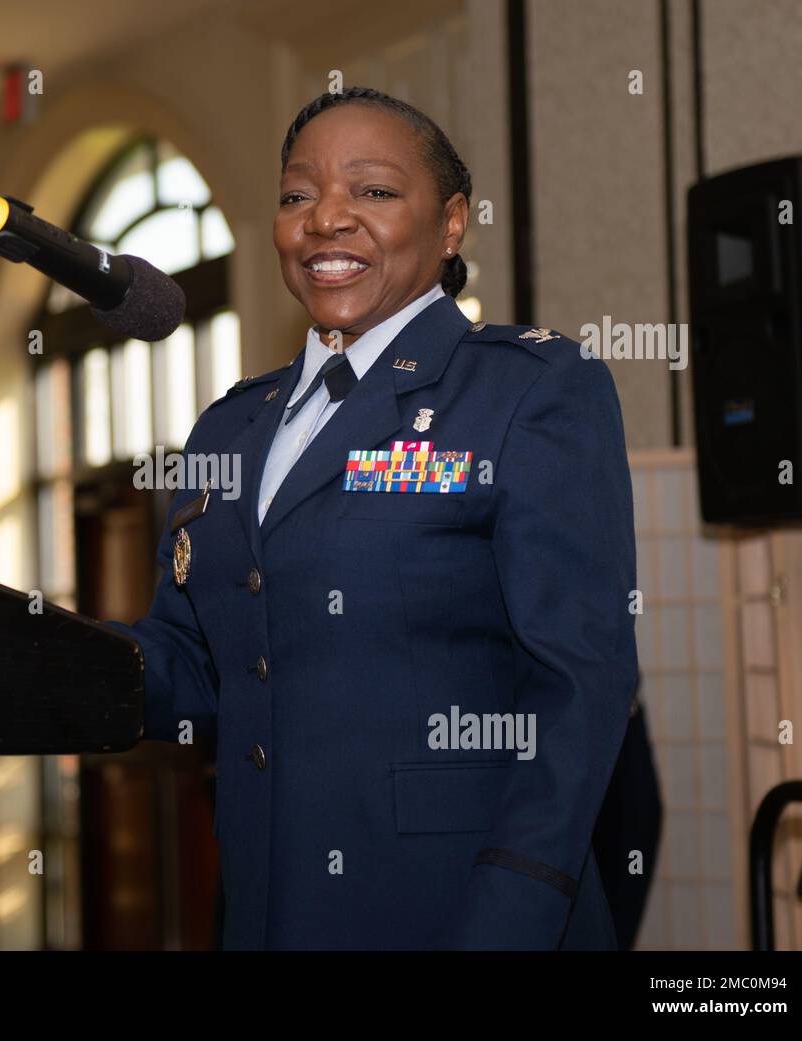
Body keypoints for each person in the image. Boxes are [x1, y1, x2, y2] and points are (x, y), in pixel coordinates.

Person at [103, 86, 639, 950]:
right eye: (297, 194)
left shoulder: (525, 391)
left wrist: (510, 918)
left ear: (453, 222)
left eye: (375, 192)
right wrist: (35, 654)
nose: (327, 219)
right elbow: (200, 670)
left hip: (466, 912)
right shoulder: (230, 425)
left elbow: (580, 687)